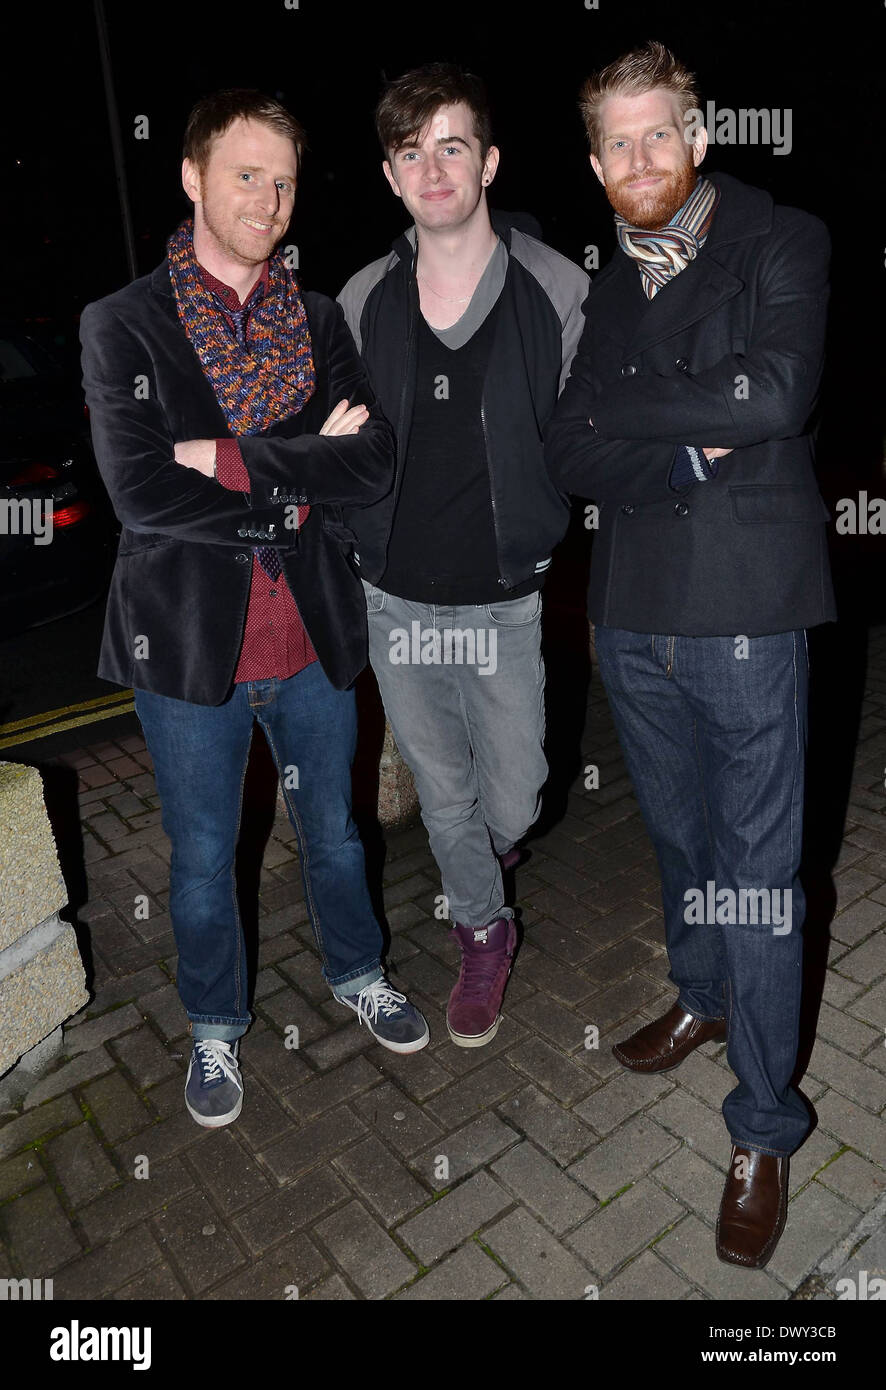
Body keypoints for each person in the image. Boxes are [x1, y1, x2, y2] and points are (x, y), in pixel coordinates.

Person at [80, 89, 429, 1130]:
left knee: (335, 831)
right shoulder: (123, 323)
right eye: (245, 173)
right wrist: (301, 471)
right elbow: (140, 494)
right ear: (191, 178)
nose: (268, 199)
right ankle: (216, 1028)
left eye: (282, 180)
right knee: (200, 858)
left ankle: (357, 971)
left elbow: (370, 461)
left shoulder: (316, 320)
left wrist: (230, 459)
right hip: (187, 649)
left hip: (311, 634)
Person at [545, 41, 834, 1267]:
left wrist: (631, 410)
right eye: (614, 142)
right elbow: (569, 448)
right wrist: (674, 431)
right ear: (596, 164)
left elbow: (771, 396)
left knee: (759, 872)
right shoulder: (607, 285)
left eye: (656, 132)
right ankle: (704, 999)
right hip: (633, 615)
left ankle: (763, 1123)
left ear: (699, 135)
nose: (636, 159)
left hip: (745, 608)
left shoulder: (782, 240)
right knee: (678, 840)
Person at [338, 63, 589, 1048]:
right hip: (395, 597)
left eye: (451, 145)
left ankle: (486, 858)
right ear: (391, 177)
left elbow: (585, 428)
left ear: (487, 161)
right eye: (411, 151)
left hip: (501, 598)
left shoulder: (556, 284)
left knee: (519, 793)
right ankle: (482, 928)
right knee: (444, 794)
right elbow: (345, 440)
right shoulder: (362, 296)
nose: (432, 166)